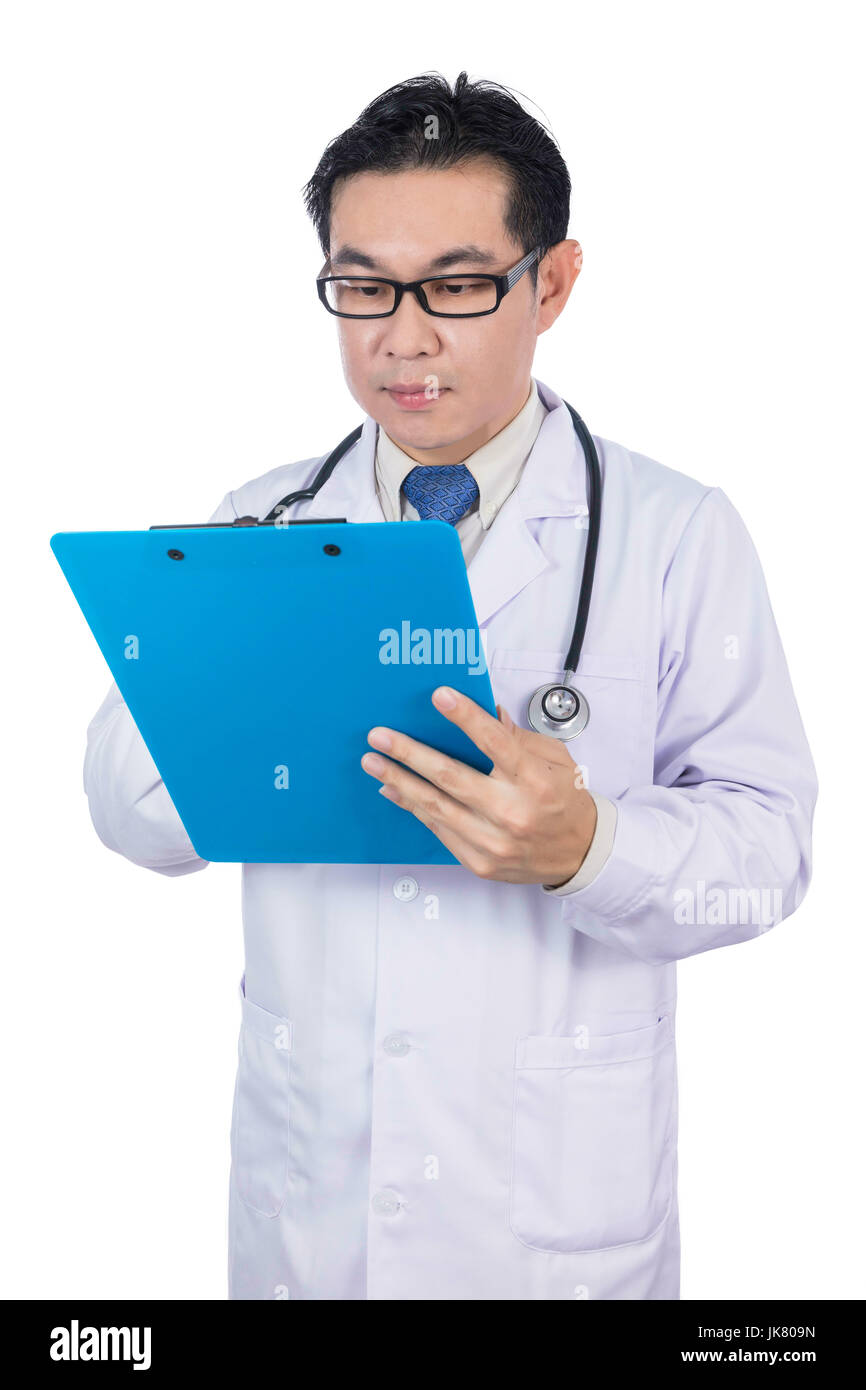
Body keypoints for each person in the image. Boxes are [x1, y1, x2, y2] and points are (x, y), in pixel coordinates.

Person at [83, 71, 818, 1300]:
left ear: (553, 284)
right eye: (361, 286)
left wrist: (589, 843)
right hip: (310, 1204)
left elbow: (769, 849)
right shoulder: (256, 527)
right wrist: (217, 677)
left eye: (459, 285)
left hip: (549, 1225)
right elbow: (128, 817)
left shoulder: (673, 532)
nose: (401, 337)